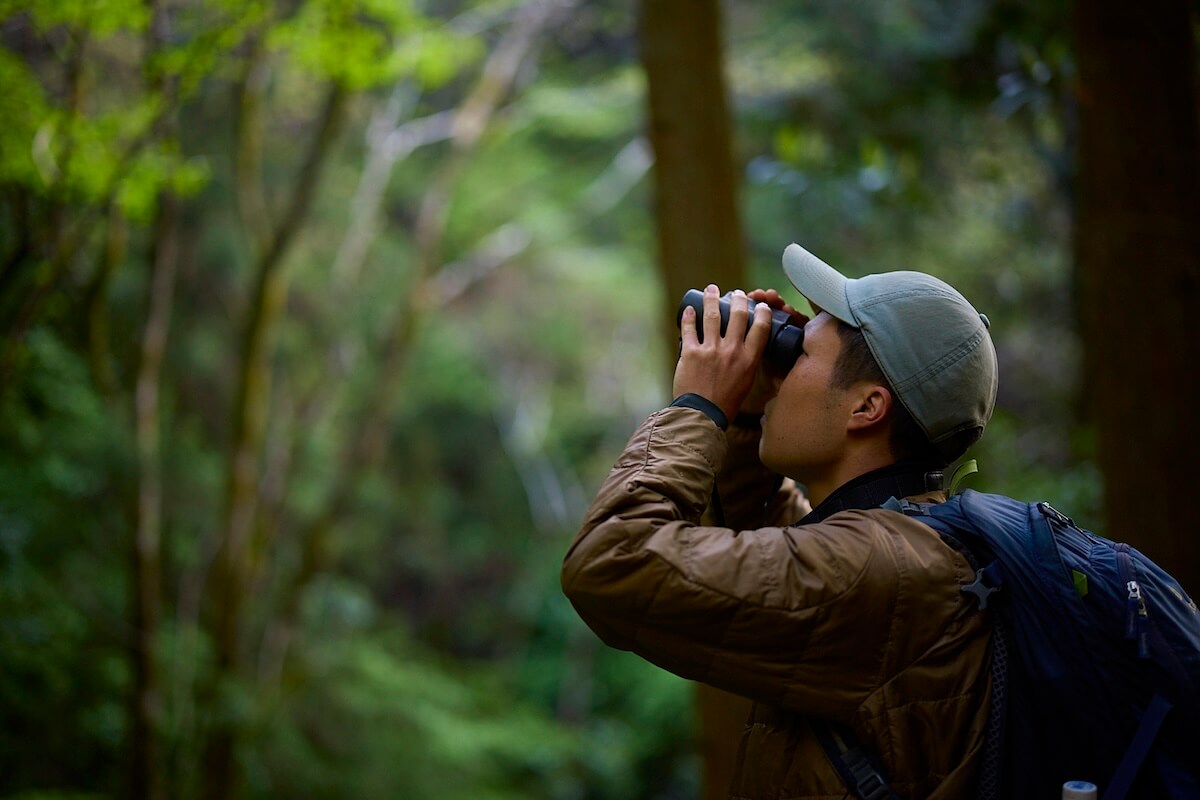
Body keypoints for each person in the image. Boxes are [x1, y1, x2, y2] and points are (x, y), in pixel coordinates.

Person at [561, 242, 999, 799]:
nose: (778, 362)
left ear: (866, 407)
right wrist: (747, 413)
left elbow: (610, 564)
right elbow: (762, 544)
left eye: (802, 354)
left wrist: (698, 406)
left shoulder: (876, 569)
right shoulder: (911, 540)